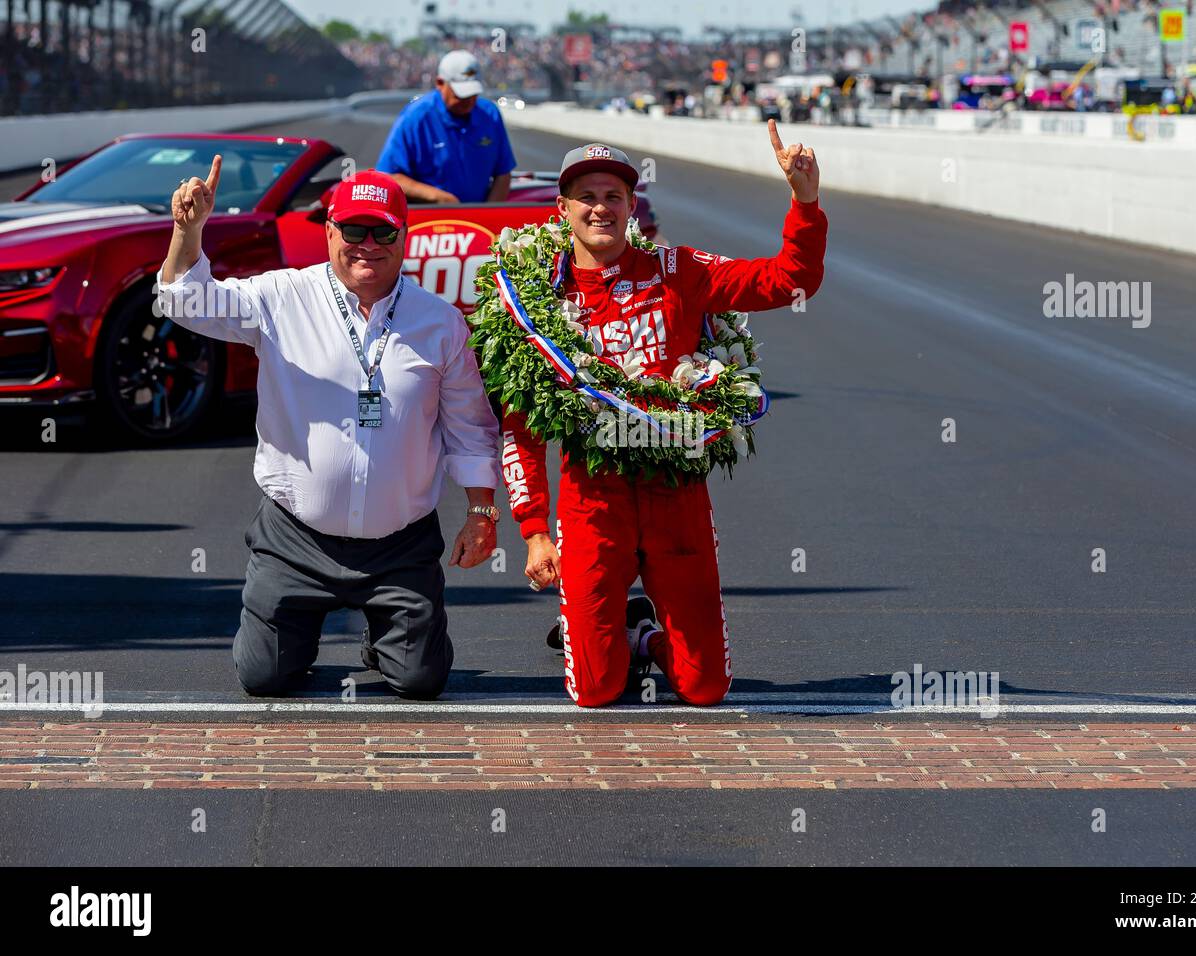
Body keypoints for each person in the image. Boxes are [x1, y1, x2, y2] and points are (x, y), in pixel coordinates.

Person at [500, 123, 826, 708]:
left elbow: (789, 280)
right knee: (595, 692)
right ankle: (611, 630)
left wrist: (805, 203)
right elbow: (521, 426)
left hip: (676, 489)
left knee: (704, 691)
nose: (600, 208)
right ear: (563, 207)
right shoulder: (536, 297)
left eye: (613, 196)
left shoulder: (680, 269)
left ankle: (643, 636)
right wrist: (532, 532)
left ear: (631, 206)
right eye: (588, 196)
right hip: (592, 499)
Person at [156, 162, 501, 699]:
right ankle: (301, 630)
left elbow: (471, 428)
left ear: (403, 236)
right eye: (354, 230)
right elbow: (182, 301)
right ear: (330, 231)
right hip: (295, 538)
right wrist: (188, 230)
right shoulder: (280, 296)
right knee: (266, 679)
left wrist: (481, 513)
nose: (368, 244)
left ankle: (384, 637)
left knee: (419, 680)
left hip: (401, 544)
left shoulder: (440, 321)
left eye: (383, 231)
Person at [377, 49, 517, 205]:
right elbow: (388, 176)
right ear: (440, 83)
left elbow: (503, 173)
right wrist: (439, 197)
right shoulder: (416, 118)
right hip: (429, 221)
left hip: (479, 222)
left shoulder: (490, 114)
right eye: (461, 95)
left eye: (473, 94)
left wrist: (488, 214)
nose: (469, 101)